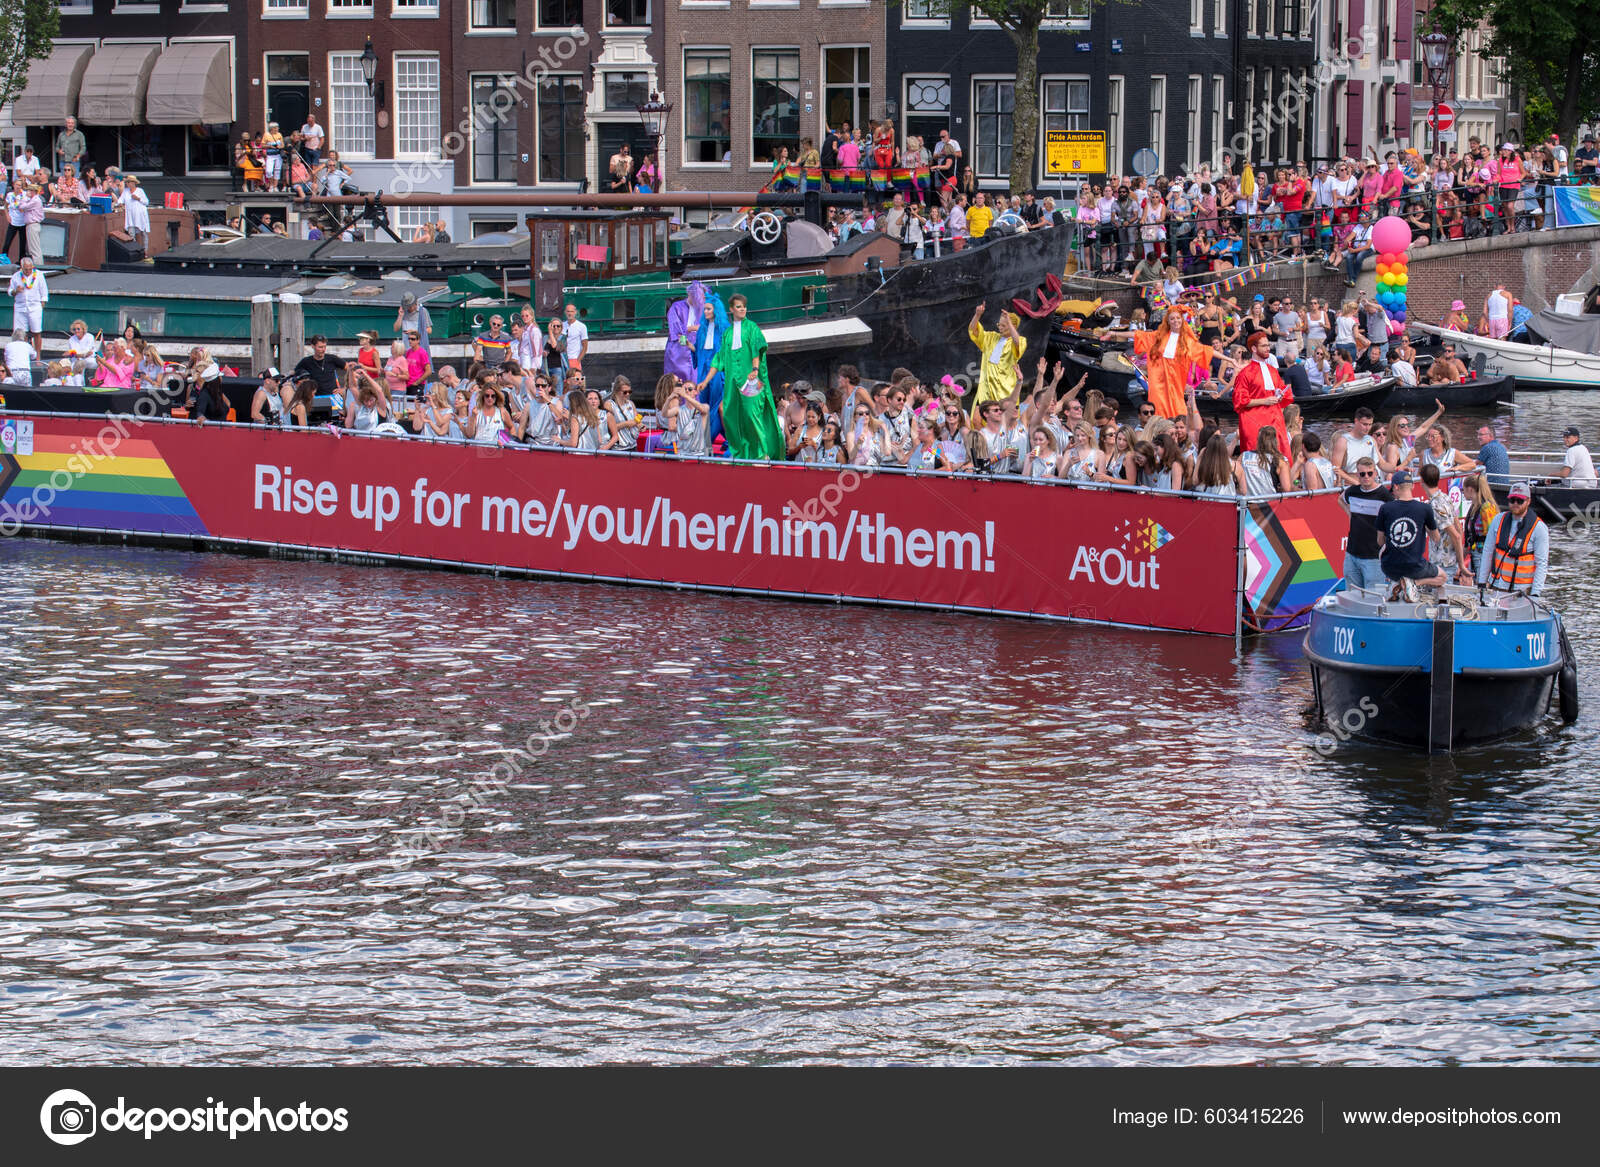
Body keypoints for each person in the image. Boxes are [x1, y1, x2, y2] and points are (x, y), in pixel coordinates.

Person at [697, 293, 783, 460]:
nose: (742, 309)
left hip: (752, 381)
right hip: (733, 384)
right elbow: (719, 359)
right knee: (730, 415)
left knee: (752, 415)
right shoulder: (728, 334)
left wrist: (755, 370)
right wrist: (706, 381)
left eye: (744, 306)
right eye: (738, 306)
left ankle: (761, 454)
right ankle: (740, 453)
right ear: (731, 309)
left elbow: (756, 348)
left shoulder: (752, 328)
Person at [1102, 306, 1216, 421]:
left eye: (1178, 318)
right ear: (1168, 321)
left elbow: (1207, 351)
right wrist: (1113, 333)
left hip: (1175, 382)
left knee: (1179, 412)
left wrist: (1229, 359)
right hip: (1159, 381)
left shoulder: (1187, 340)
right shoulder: (1159, 336)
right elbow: (1138, 334)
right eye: (1172, 319)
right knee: (1159, 410)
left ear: (1182, 320)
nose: (1175, 321)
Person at [1376, 470, 1446, 599]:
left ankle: (1399, 584)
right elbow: (1436, 538)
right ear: (1413, 486)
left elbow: (1380, 541)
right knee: (1442, 577)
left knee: (1397, 571)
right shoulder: (1425, 509)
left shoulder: (1385, 508)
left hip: (1389, 566)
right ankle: (1413, 583)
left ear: (1396, 486)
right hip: (1415, 566)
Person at [1477, 482, 1548, 597]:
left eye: (1520, 501)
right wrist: (1481, 582)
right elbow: (1487, 552)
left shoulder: (1539, 528)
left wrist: (1535, 594)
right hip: (1496, 586)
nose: (1515, 503)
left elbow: (1541, 563)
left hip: (1521, 590)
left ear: (1528, 501)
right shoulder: (1498, 520)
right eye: (1512, 500)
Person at [1230, 329, 1291, 453]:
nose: (1268, 348)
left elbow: (1284, 395)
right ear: (1253, 348)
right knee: (1255, 454)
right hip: (1254, 422)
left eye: (1268, 345)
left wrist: (1280, 395)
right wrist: (1265, 401)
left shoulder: (1273, 371)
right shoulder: (1245, 373)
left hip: (1275, 419)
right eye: (1264, 346)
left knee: (1280, 454)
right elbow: (1240, 401)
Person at [1339, 456, 1393, 591]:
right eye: (1362, 474)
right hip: (1352, 554)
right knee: (1352, 596)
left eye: (1370, 473)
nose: (1366, 477)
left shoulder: (1384, 495)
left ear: (1375, 473)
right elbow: (1341, 499)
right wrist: (1350, 513)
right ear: (1357, 474)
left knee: (1373, 598)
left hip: (1374, 557)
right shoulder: (1352, 491)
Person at [966, 301, 1025, 420]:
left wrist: (1009, 321)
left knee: (1004, 425)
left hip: (1005, 392)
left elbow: (1017, 343)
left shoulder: (1021, 340)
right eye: (999, 324)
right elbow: (974, 331)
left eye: (1003, 325)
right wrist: (977, 315)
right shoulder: (991, 337)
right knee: (976, 420)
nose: (1000, 327)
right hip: (986, 389)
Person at [1419, 463, 1468, 584]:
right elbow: (1459, 528)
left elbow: (1455, 534)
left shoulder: (1435, 505)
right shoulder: (1445, 497)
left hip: (1442, 563)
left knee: (1442, 599)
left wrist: (1461, 564)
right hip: (1448, 561)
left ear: (1422, 481)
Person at [7, 256, 48, 358]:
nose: (29, 271)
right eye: (26, 269)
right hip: (20, 307)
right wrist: (16, 291)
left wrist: (41, 305)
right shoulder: (16, 276)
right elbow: (9, 292)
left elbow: (44, 292)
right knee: (21, 333)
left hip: (35, 307)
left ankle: (38, 356)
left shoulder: (38, 275)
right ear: (21, 268)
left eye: (30, 268)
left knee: (36, 332)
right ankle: (23, 355)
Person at [1460, 473, 1499, 579]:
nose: (1462, 493)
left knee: (1482, 583)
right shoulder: (1474, 507)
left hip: (1483, 555)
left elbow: (1493, 534)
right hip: (1476, 553)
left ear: (1470, 489)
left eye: (1463, 490)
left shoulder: (1486, 508)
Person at [1475, 423, 1511, 487]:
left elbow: (1475, 466)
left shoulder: (1487, 447)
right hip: (1505, 485)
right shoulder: (1501, 446)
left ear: (1490, 436)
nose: (1478, 437)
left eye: (1481, 435)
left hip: (1492, 486)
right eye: (1478, 435)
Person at [561, 303, 588, 374]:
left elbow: (585, 347)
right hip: (562, 359)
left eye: (572, 311)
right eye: (568, 311)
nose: (570, 313)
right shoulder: (561, 325)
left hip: (574, 359)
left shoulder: (582, 326)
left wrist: (577, 361)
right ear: (565, 312)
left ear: (575, 312)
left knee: (575, 382)